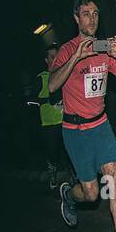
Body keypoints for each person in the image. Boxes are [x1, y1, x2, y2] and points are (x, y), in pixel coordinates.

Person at [47, 0, 116, 232]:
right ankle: (69, 193)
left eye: (95, 14)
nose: (92, 19)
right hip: (75, 131)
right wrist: (76, 57)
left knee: (114, 176)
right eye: (86, 14)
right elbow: (52, 86)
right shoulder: (67, 50)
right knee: (91, 194)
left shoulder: (104, 48)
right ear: (76, 18)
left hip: (100, 126)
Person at [35, 45, 67, 188]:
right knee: (53, 154)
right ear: (46, 59)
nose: (55, 59)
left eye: (57, 56)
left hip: (66, 121)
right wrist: (48, 101)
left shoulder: (64, 73)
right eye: (52, 56)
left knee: (69, 152)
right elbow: (30, 101)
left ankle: (73, 180)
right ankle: (52, 174)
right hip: (49, 124)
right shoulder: (41, 78)